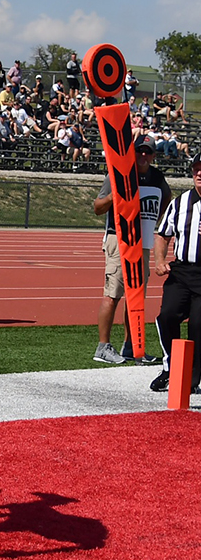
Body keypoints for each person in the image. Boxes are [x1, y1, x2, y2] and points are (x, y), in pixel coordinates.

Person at [93, 134, 172, 365]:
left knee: (135, 297)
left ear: (154, 155)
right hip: (119, 240)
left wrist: (153, 221)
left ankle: (132, 346)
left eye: (148, 151)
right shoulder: (118, 173)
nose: (143, 155)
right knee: (112, 295)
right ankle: (103, 347)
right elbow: (97, 207)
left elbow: (166, 198)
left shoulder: (157, 177)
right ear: (132, 152)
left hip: (143, 243)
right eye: (140, 151)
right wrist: (114, 195)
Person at [150, 153, 201, 393]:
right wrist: (159, 260)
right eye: (196, 169)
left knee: (199, 325)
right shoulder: (180, 203)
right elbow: (162, 234)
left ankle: (192, 377)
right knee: (167, 316)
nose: (200, 173)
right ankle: (171, 366)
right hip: (182, 271)